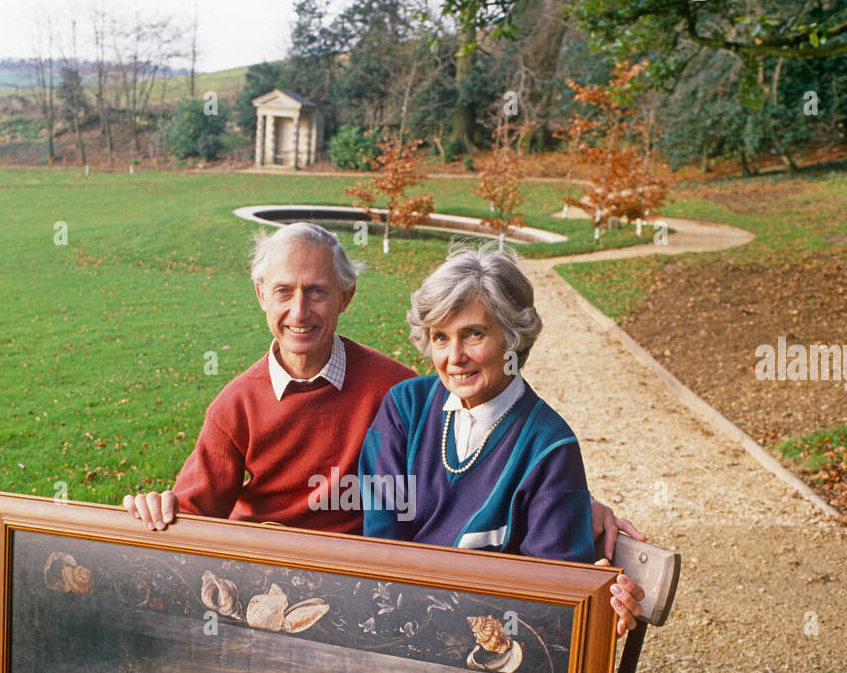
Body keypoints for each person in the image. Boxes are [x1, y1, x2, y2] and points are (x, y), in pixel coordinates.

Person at [124, 222, 645, 631]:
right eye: (283, 291)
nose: (299, 310)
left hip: (375, 603)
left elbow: (512, 490)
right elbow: (191, 514)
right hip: (271, 584)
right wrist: (155, 507)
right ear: (262, 294)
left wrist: (573, 505)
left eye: (317, 292)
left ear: (346, 297)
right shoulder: (244, 404)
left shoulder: (391, 392)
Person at [360, 245, 594, 562]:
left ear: (513, 337)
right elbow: (382, 546)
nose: (455, 358)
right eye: (441, 337)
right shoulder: (404, 408)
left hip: (491, 613)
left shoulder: (550, 447)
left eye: (473, 334)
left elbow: (552, 588)